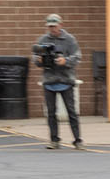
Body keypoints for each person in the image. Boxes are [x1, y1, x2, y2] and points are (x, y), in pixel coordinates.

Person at [32, 14, 83, 150]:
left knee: (71, 112)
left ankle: (78, 140)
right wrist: (39, 60)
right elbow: (35, 58)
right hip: (49, 80)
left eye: (54, 26)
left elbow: (77, 57)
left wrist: (65, 61)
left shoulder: (69, 40)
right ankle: (54, 140)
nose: (52, 29)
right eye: (50, 26)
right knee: (51, 113)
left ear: (60, 25)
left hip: (66, 80)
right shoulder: (42, 40)